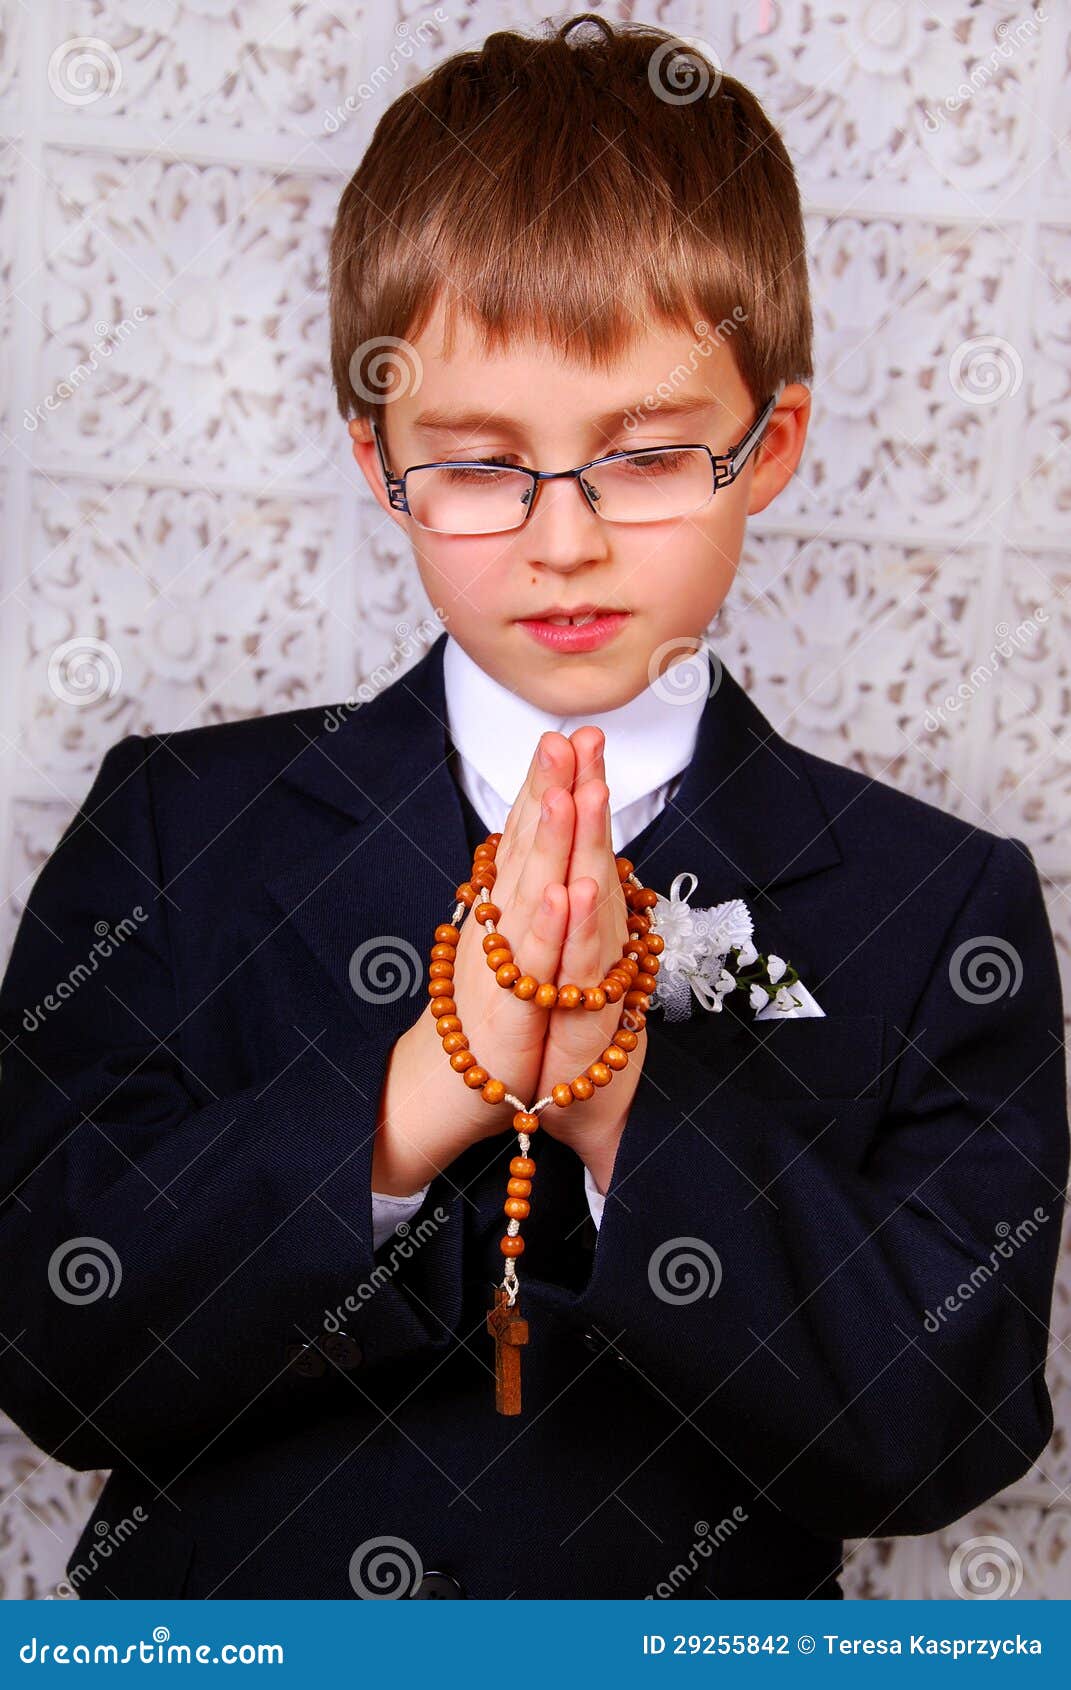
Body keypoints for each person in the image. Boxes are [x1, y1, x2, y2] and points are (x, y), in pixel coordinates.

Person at [0, 13, 1066, 1602]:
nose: (562, 543)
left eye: (644, 457)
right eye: (481, 464)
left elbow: (942, 1425)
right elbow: (51, 1341)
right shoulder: (175, 829)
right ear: (379, 459)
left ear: (767, 445)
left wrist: (618, 1101)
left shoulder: (941, 909)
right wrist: (430, 1085)